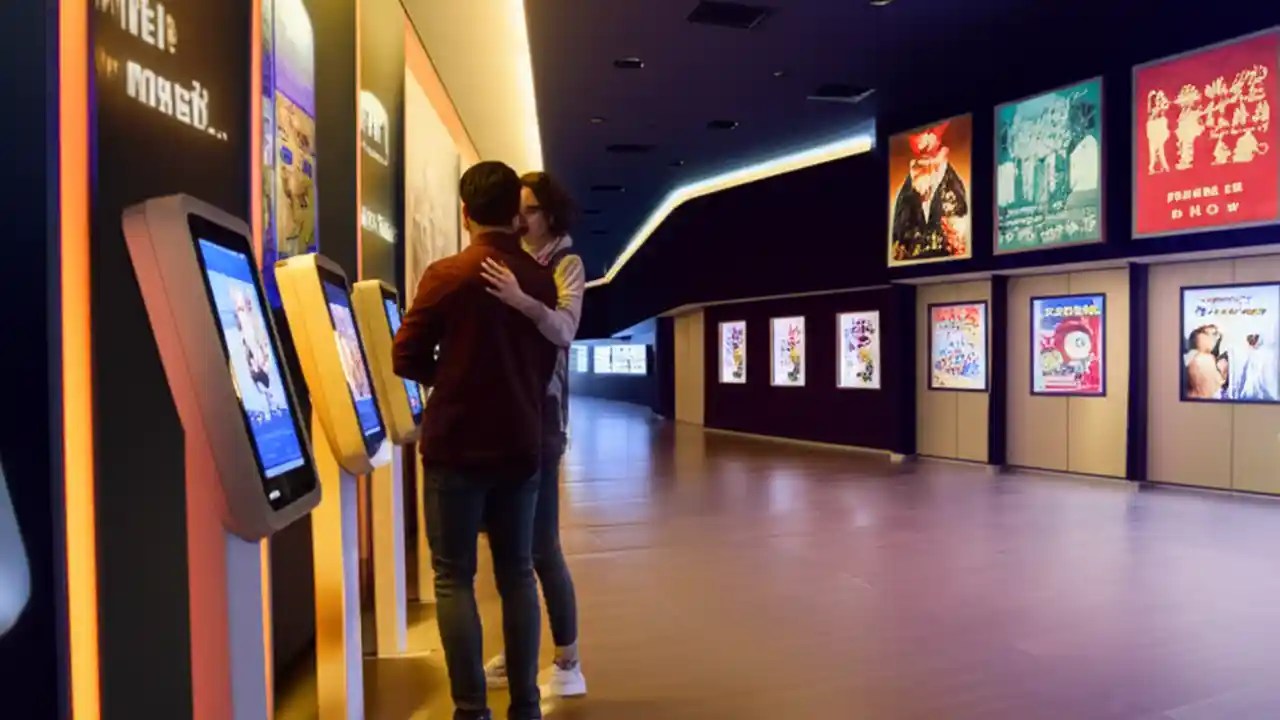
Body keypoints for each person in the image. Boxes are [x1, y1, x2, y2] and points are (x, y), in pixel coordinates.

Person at [393, 161, 558, 720]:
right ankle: (527, 705)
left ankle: (470, 710)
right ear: (516, 213)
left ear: (465, 214)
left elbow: (405, 356)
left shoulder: (447, 275)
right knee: (516, 572)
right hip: (519, 443)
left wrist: (455, 375)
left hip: (456, 447)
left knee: (453, 576)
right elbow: (544, 359)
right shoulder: (539, 280)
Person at [479, 171, 588, 698]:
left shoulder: (566, 264)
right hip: (510, 415)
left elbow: (565, 330)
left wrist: (521, 300)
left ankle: (567, 659)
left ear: (551, 214)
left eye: (530, 209)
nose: (521, 219)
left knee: (542, 545)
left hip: (544, 418)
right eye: (516, 209)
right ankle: (519, 649)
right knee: (512, 548)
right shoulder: (512, 260)